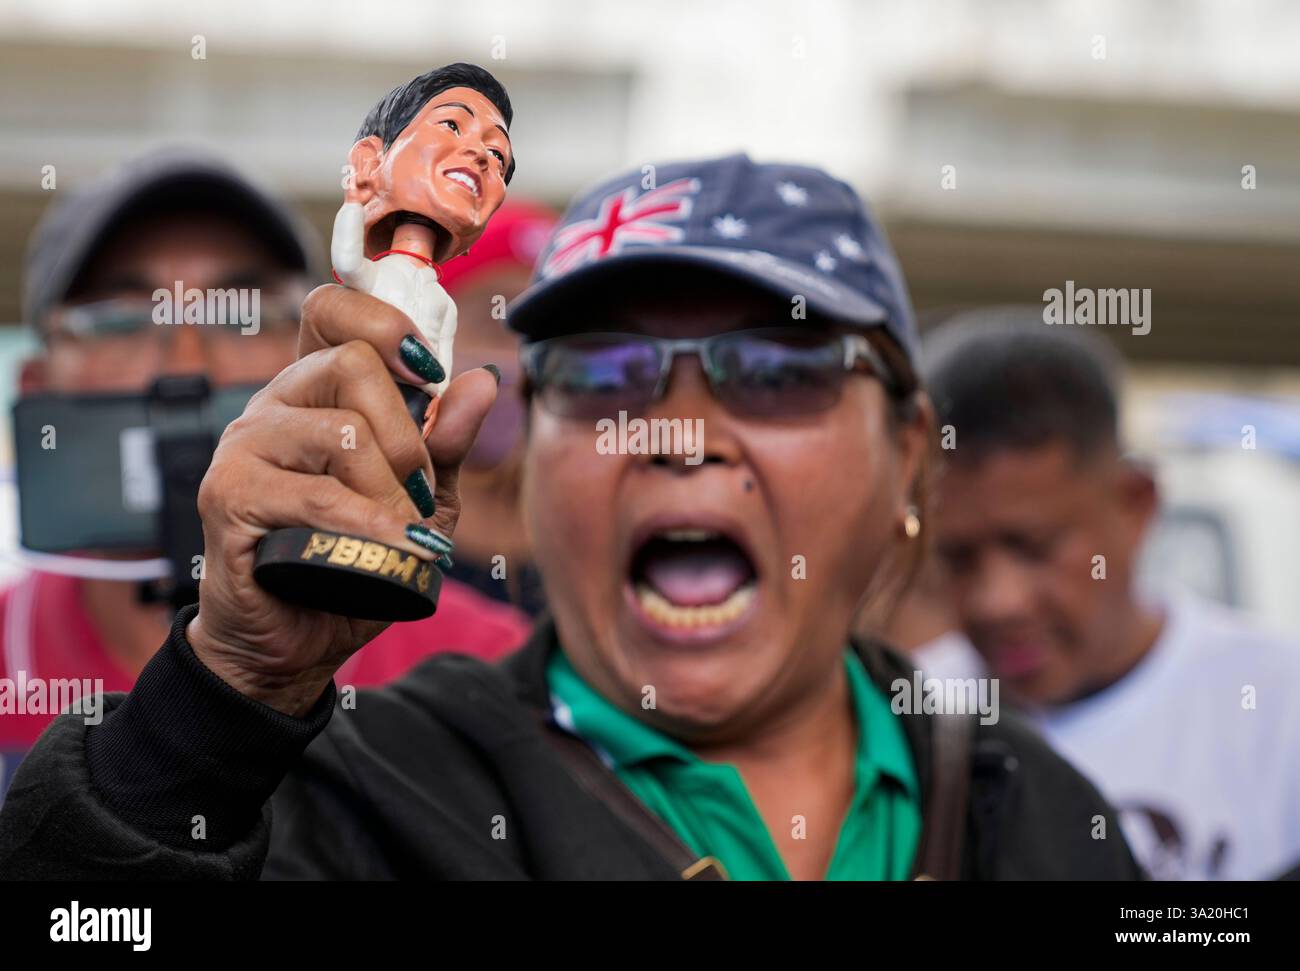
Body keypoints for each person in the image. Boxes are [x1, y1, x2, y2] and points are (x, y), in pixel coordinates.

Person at [0, 155, 1142, 880]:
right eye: (604, 375)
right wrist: (219, 703)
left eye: (776, 368)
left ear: (906, 457)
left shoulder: (1034, 805)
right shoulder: (363, 791)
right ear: (529, 454)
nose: (677, 432)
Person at [0, 149, 529, 788]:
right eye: (119, 320)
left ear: (327, 347)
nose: (185, 361)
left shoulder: (484, 665)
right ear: (34, 383)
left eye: (240, 315)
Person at [918, 312, 1300, 880]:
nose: (997, 602)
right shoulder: (913, 717)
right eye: (957, 557)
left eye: (1034, 548)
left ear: (1135, 504)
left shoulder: (1278, 708)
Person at [436, 200, 557, 615]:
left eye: (546, 334)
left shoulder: (606, 568)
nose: (524, 361)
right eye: (497, 322)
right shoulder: (367, 547)